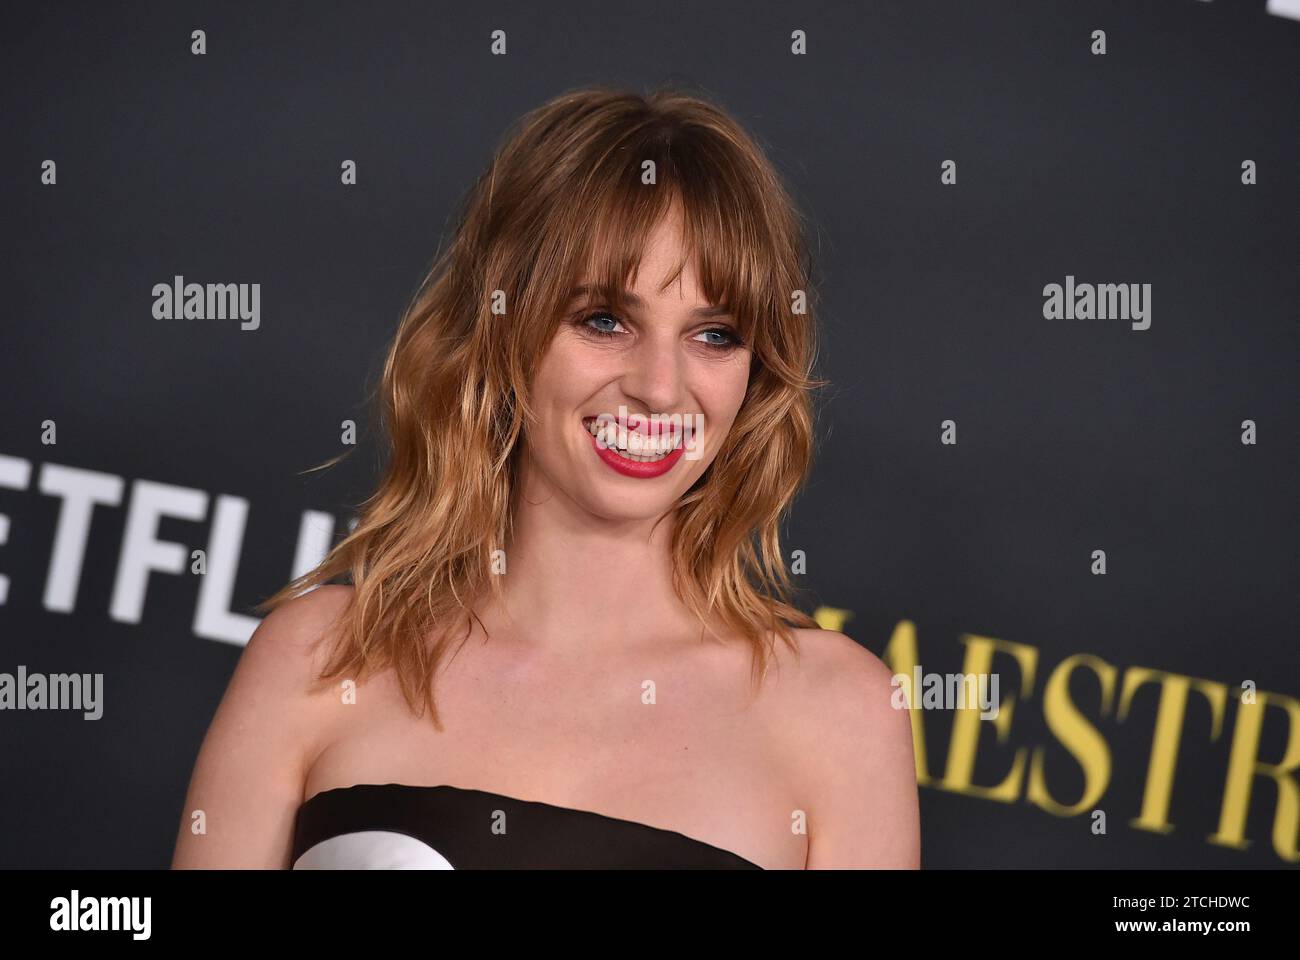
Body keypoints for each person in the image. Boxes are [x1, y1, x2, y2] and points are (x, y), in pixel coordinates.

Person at [171, 85, 920, 870]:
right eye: (604, 320)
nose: (660, 387)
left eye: (714, 334)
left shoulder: (839, 713)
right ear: (501, 333)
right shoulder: (319, 657)